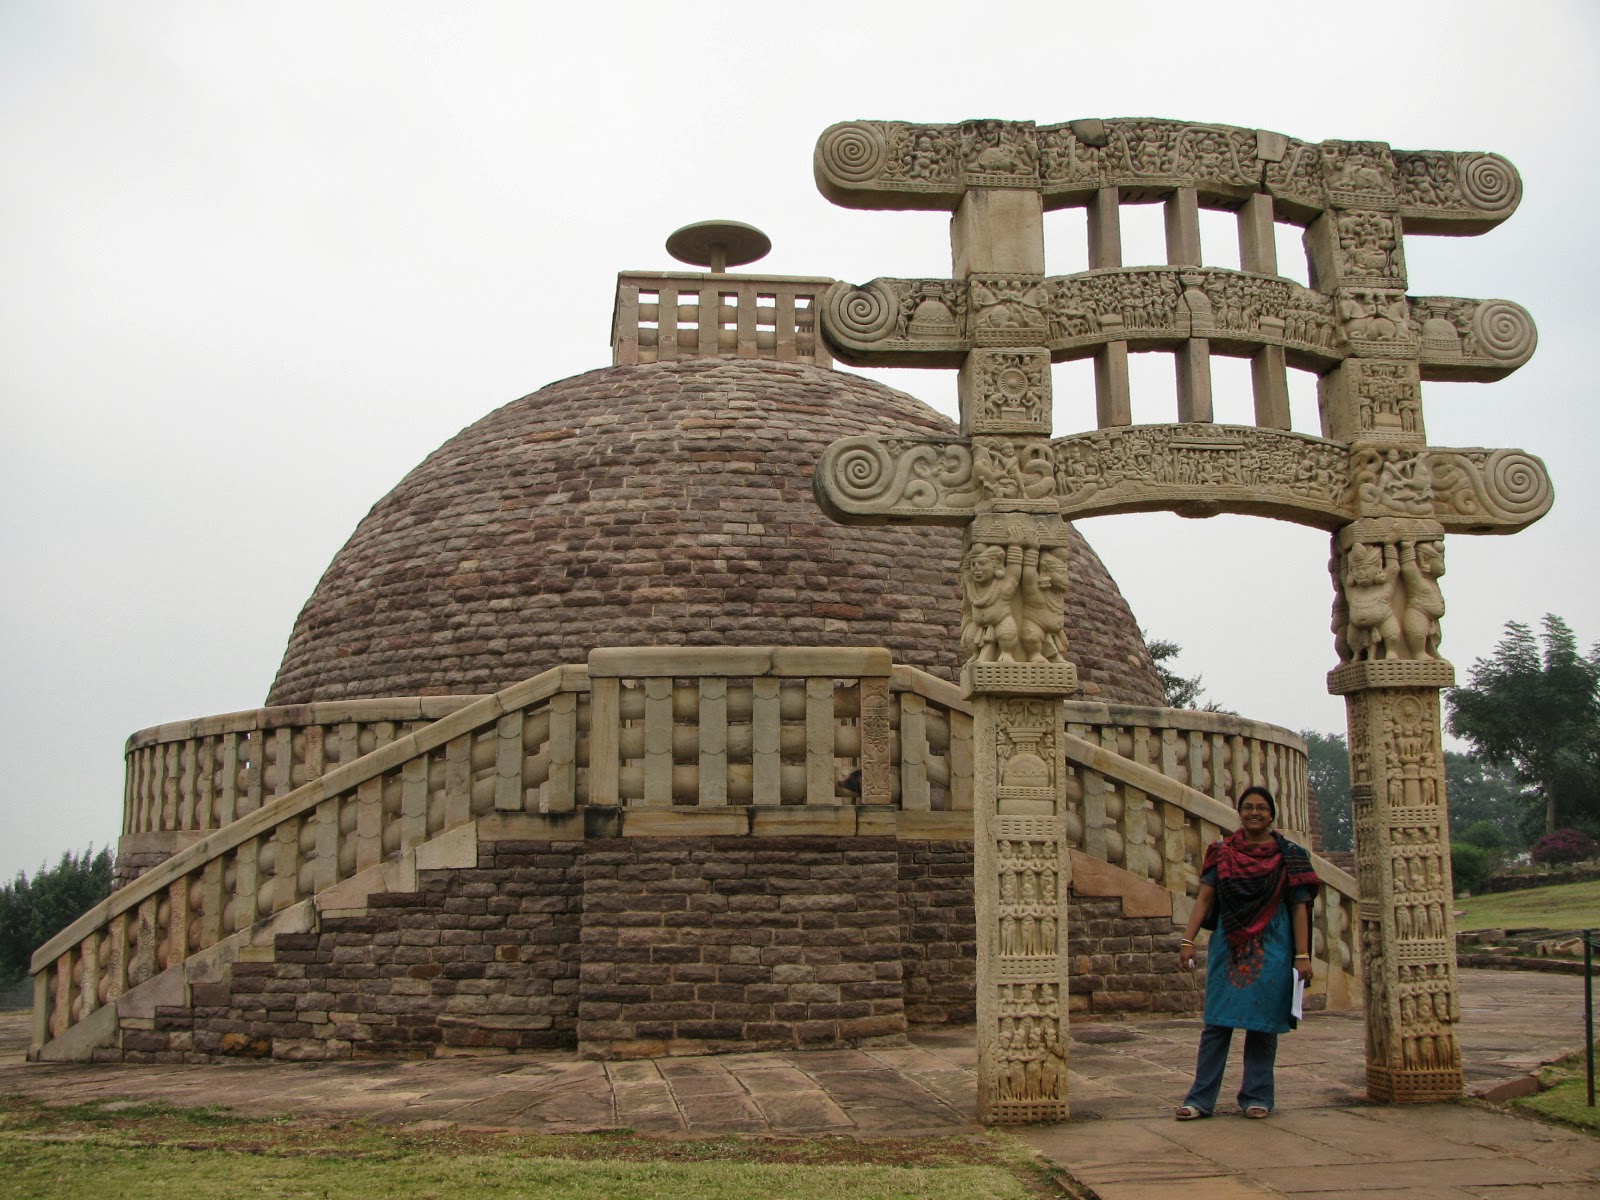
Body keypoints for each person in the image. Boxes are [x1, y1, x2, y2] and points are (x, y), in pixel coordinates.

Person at [1174, 785, 1320, 1119]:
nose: (1255, 813)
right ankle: (1199, 1099)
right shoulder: (1222, 852)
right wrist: (1187, 940)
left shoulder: (1289, 855)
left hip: (1274, 944)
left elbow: (1300, 907)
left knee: (1263, 1023)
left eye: (1262, 808)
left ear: (1272, 814)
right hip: (1230, 944)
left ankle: (1257, 1096)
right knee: (1216, 1023)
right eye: (1248, 808)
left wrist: (1302, 954)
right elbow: (1206, 898)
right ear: (1239, 814)